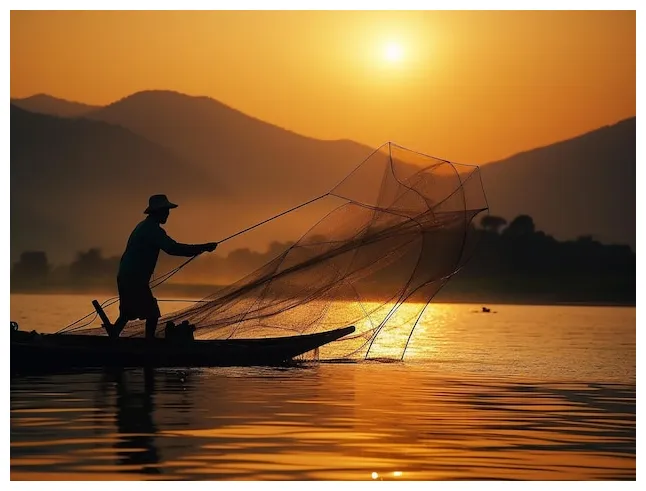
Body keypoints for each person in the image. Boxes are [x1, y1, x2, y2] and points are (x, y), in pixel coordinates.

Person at [107, 194, 217, 339]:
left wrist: (202, 248)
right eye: (165, 210)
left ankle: (113, 339)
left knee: (127, 313)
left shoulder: (143, 226)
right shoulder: (152, 230)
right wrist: (203, 247)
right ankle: (150, 346)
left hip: (126, 275)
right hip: (134, 278)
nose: (168, 214)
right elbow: (173, 248)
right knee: (152, 313)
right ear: (157, 212)